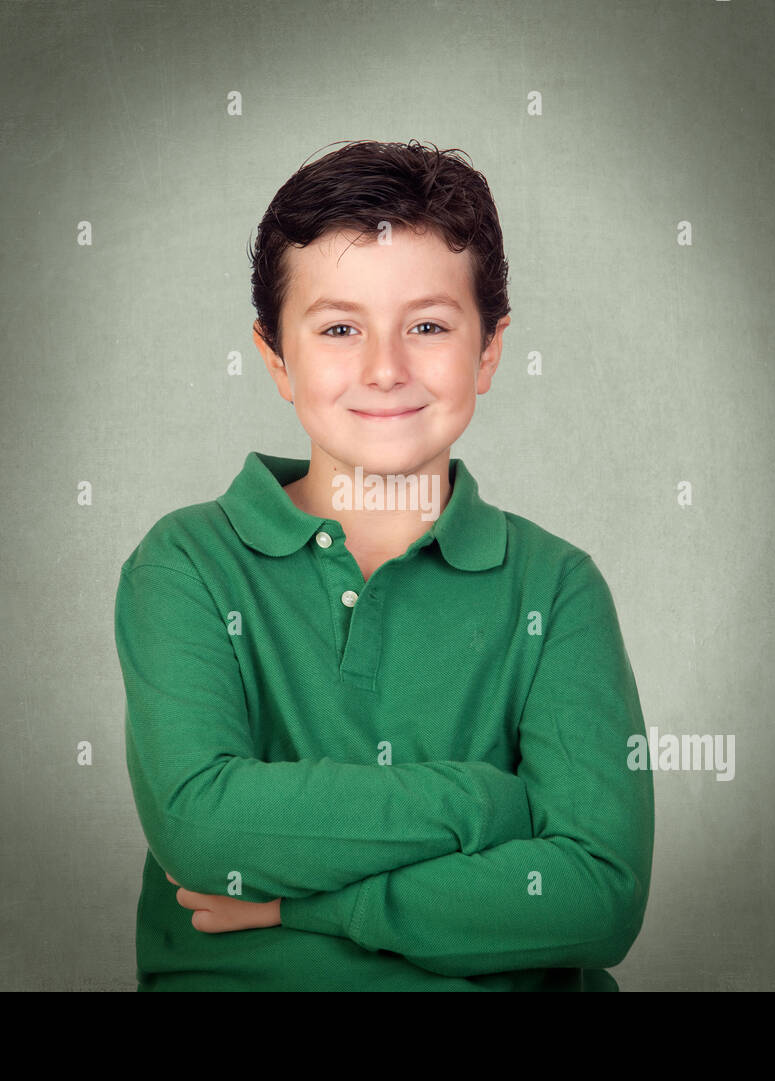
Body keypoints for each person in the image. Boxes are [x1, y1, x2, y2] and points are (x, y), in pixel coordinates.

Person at [113, 139, 654, 990]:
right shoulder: (186, 564)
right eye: (338, 328)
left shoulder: (558, 587)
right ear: (276, 359)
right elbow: (203, 829)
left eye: (429, 327)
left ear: (488, 350)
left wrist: (308, 904)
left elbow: (597, 897)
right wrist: (491, 802)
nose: (385, 369)